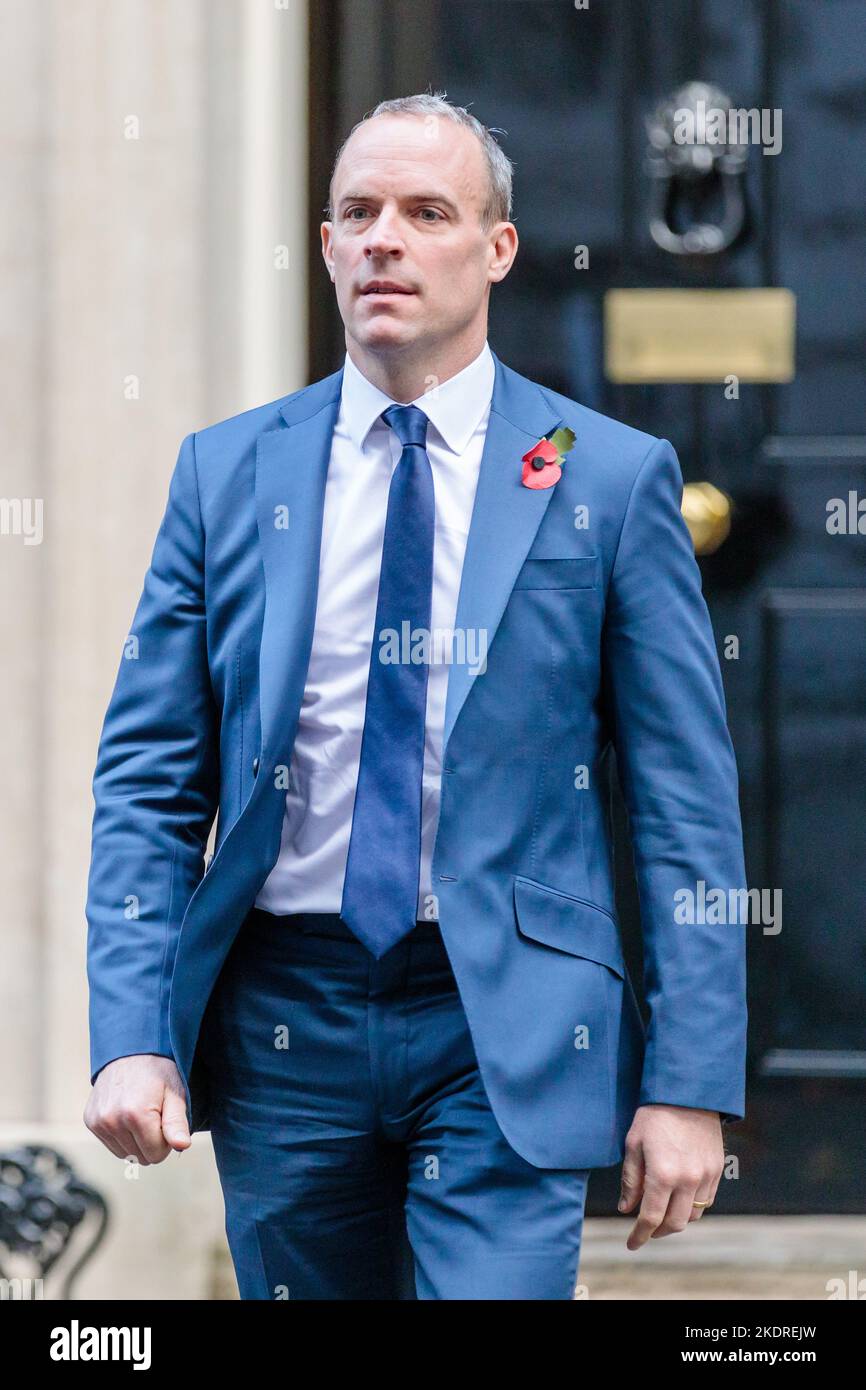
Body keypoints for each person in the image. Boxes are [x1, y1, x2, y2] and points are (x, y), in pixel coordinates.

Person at [84, 92, 747, 1301]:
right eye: (357, 212)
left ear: (495, 249)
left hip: (504, 1015)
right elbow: (149, 776)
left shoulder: (605, 475)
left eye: (424, 211)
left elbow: (682, 801)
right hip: (285, 1013)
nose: (384, 237)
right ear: (328, 247)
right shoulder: (226, 473)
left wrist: (688, 1079)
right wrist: (130, 1032)